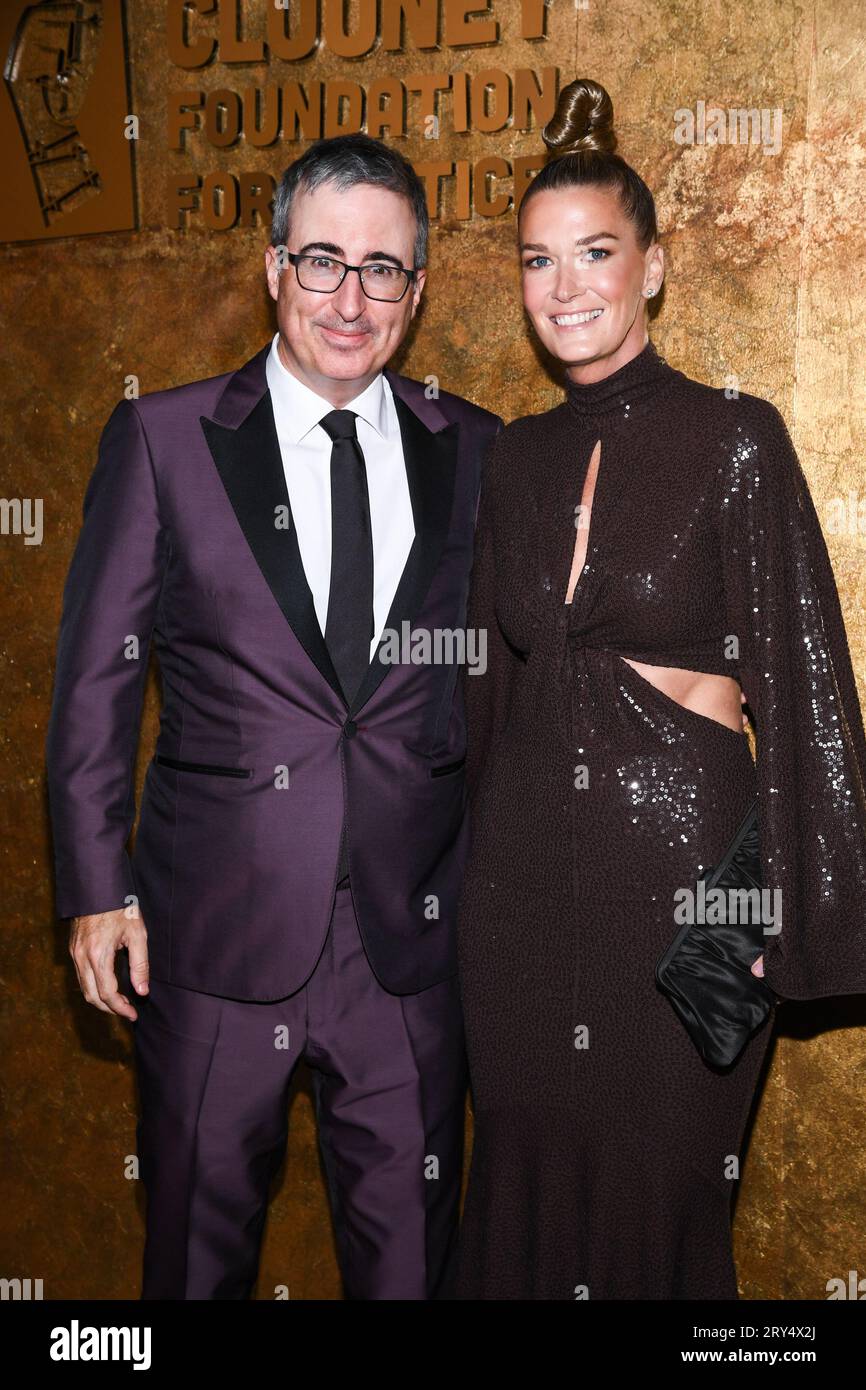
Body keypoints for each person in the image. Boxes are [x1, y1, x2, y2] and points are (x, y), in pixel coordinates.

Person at [45, 132, 502, 1300]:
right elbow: (96, 680)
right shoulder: (163, 441)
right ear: (270, 268)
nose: (351, 299)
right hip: (208, 946)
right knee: (193, 1270)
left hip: (408, 954)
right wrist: (97, 890)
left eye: (383, 269)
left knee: (412, 1274)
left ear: (417, 286)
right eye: (322, 262)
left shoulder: (480, 453)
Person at [454, 77, 866, 1300]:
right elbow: (484, 700)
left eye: (593, 251)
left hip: (681, 904)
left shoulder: (737, 437)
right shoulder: (511, 461)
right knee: (519, 1199)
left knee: (657, 1204)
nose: (564, 284)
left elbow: (804, 693)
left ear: (653, 265)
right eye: (537, 259)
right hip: (516, 901)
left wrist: (776, 914)